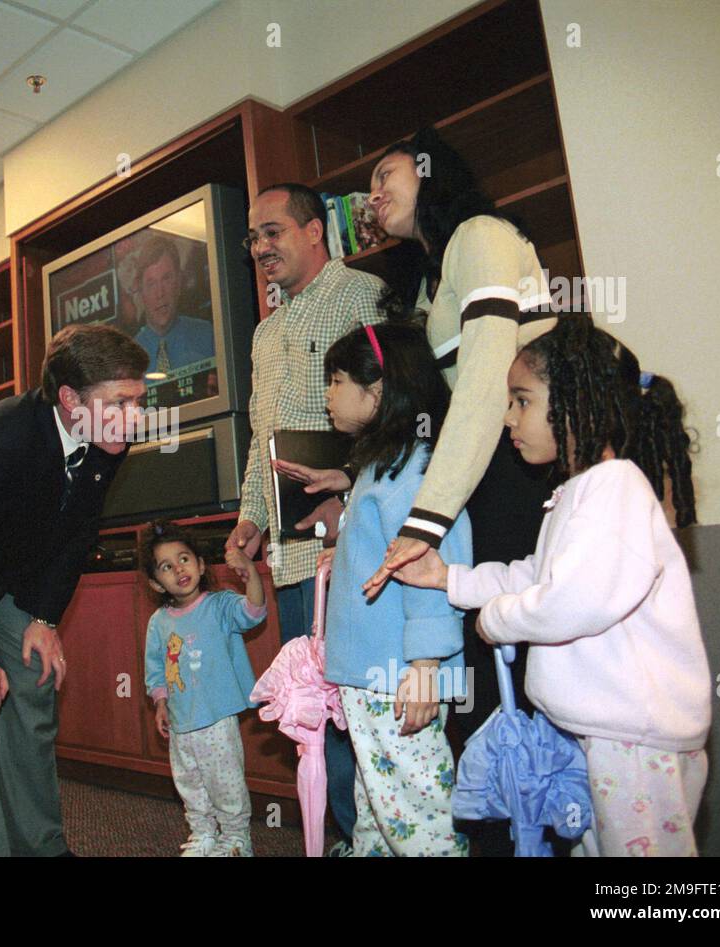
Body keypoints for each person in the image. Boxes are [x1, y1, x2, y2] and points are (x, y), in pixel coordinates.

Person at [389, 316, 710, 856]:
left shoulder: (615, 489)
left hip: (634, 737)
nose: (509, 417)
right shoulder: (579, 490)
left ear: (576, 402)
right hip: (602, 732)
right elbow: (533, 577)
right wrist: (450, 578)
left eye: (522, 401)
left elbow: (571, 602)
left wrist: (496, 620)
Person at [360, 128, 558, 854]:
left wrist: (425, 520)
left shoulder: (480, 234)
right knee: (490, 668)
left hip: (514, 476)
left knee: (525, 674)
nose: (373, 194)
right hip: (485, 477)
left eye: (387, 174)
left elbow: (484, 382)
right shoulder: (432, 276)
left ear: (430, 171)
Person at [0, 323, 148, 857]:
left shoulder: (108, 436)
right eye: (120, 403)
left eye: (140, 401)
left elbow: (76, 535)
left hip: (7, 571)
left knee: (33, 684)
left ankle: (43, 845)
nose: (135, 418)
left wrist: (43, 618)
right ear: (69, 399)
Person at [225, 182, 386, 853]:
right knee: (314, 705)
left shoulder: (364, 296)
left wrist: (352, 486)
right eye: (253, 238)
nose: (261, 247)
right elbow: (265, 433)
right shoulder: (265, 334)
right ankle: (343, 839)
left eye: (273, 231)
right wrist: (249, 517)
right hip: (290, 560)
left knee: (362, 706)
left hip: (356, 547)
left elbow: (393, 409)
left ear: (315, 229)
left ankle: (378, 836)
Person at [297, 322, 471, 856]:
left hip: (397, 679)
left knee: (417, 816)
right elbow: (386, 553)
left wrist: (424, 669)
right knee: (379, 807)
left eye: (336, 380)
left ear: (377, 391)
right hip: (372, 678)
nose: (326, 394)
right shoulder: (379, 468)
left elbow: (433, 573)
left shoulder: (413, 472)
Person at [142, 521, 266, 857]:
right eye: (166, 567)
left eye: (184, 559)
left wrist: (250, 574)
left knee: (225, 782)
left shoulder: (220, 605)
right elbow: (156, 669)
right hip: (182, 721)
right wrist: (161, 704)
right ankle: (203, 833)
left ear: (199, 564)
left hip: (216, 718)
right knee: (190, 783)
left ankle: (237, 836)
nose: (178, 569)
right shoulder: (159, 621)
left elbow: (254, 611)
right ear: (157, 582)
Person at [132, 236, 215, 374]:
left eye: (166, 279)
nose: (160, 293)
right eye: (151, 284)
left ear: (179, 282)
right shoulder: (128, 357)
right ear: (141, 291)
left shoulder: (207, 335)